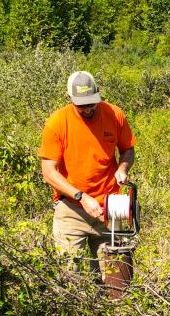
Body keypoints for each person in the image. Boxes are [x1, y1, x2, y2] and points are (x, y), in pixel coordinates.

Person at [39, 71, 136, 279]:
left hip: (111, 208)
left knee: (116, 275)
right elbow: (48, 171)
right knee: (70, 274)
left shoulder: (114, 114)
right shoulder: (57, 123)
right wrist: (81, 197)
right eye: (81, 105)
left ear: (99, 93)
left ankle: (115, 310)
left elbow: (128, 149)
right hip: (71, 208)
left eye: (92, 103)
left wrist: (123, 168)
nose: (88, 109)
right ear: (69, 98)